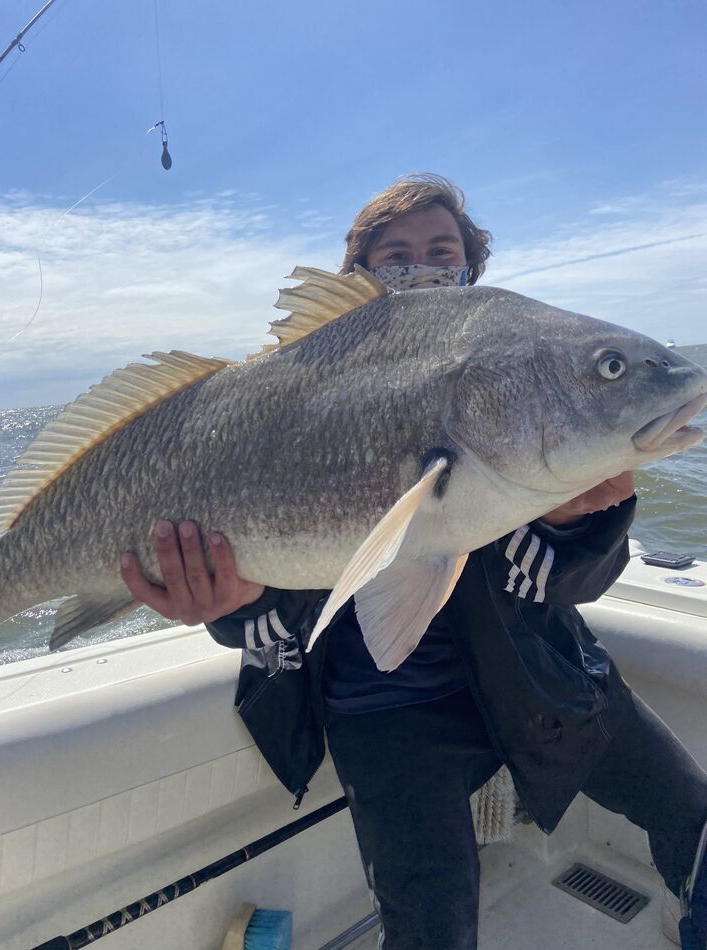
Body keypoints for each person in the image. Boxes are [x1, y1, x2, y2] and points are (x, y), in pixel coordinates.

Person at [121, 174, 707, 950]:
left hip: (540, 681)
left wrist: (575, 523)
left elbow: (577, 585)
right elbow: (272, 609)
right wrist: (228, 605)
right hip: (383, 714)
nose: (422, 266)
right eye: (393, 254)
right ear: (357, 273)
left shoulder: (522, 418)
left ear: (471, 272)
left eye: (443, 252)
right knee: (429, 926)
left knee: (695, 817)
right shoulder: (297, 392)